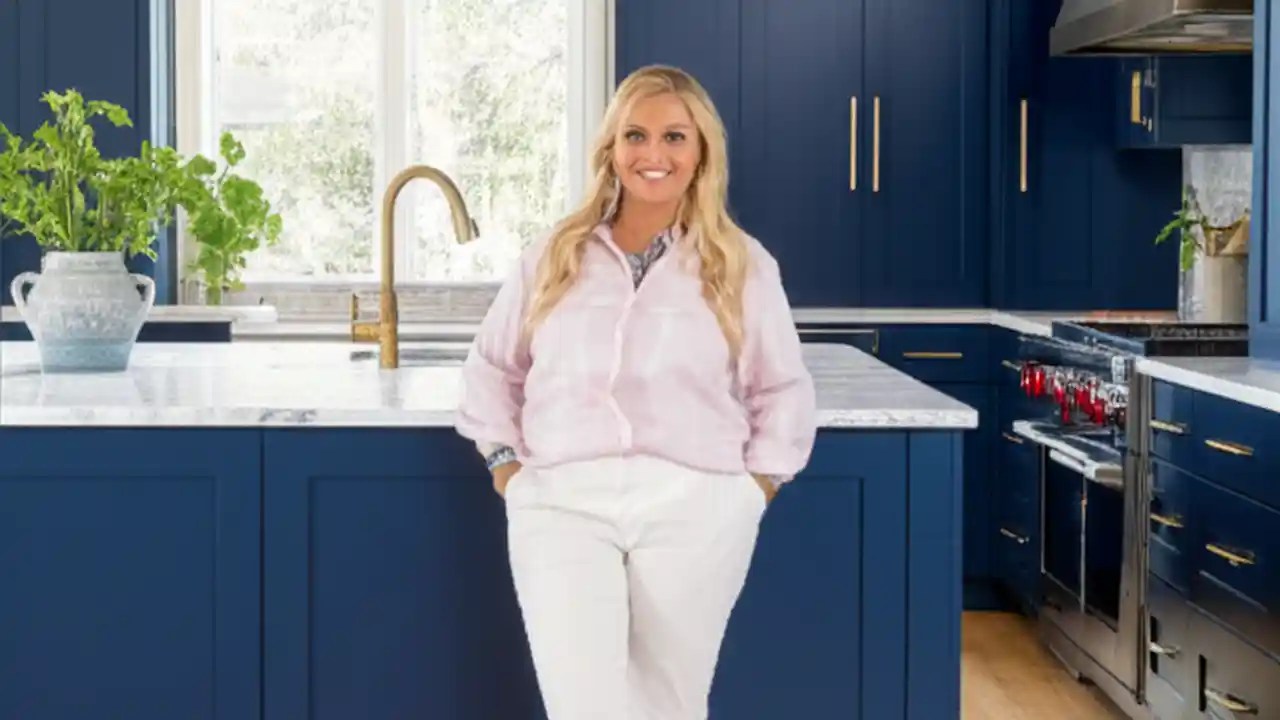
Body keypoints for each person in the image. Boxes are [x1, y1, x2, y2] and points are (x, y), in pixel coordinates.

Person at [454, 64, 817, 720]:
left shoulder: (742, 263)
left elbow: (783, 388)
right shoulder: (553, 254)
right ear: (610, 150)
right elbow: (492, 367)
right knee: (580, 703)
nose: (655, 154)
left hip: (696, 503)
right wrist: (508, 470)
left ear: (702, 150)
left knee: (670, 704)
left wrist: (750, 492)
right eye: (636, 135)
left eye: (675, 137)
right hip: (561, 501)